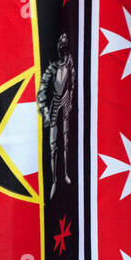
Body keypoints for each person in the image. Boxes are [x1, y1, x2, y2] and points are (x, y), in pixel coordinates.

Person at [37, 33, 75, 199]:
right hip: (55, 103)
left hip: (65, 101)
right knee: (53, 144)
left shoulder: (70, 66)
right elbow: (42, 91)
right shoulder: (51, 68)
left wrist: (71, 99)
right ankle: (53, 180)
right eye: (62, 48)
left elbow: (72, 83)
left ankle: (65, 173)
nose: (63, 52)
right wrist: (44, 110)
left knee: (66, 141)